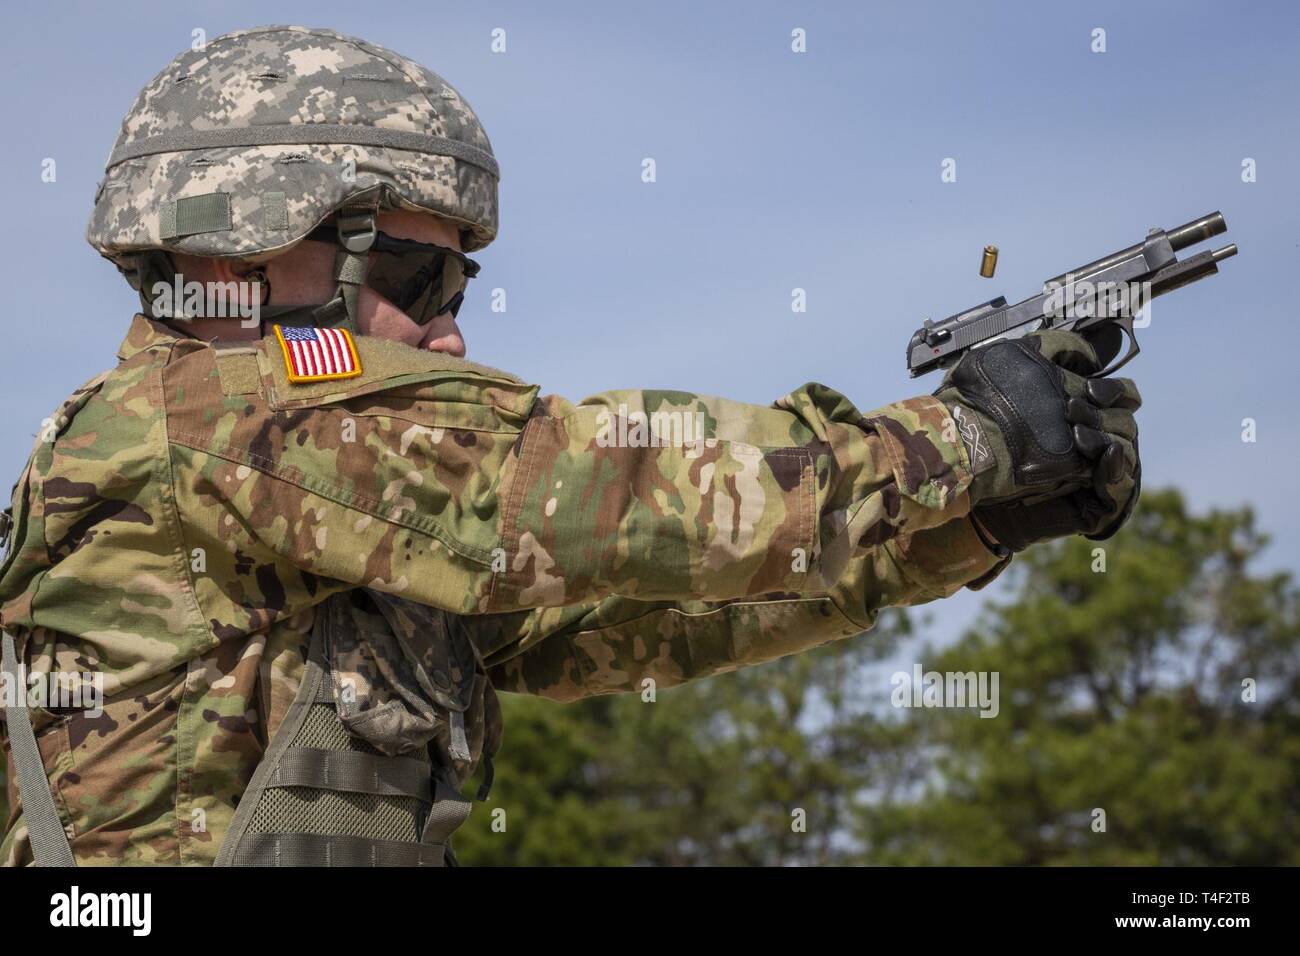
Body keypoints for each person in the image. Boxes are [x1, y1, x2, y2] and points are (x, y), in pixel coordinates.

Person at [0, 25, 1139, 866]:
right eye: (414, 273)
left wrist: (965, 528)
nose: (448, 322)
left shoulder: (319, 509)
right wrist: (956, 437)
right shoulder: (217, 409)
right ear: (246, 249)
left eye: (458, 281)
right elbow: (607, 488)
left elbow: (628, 616)